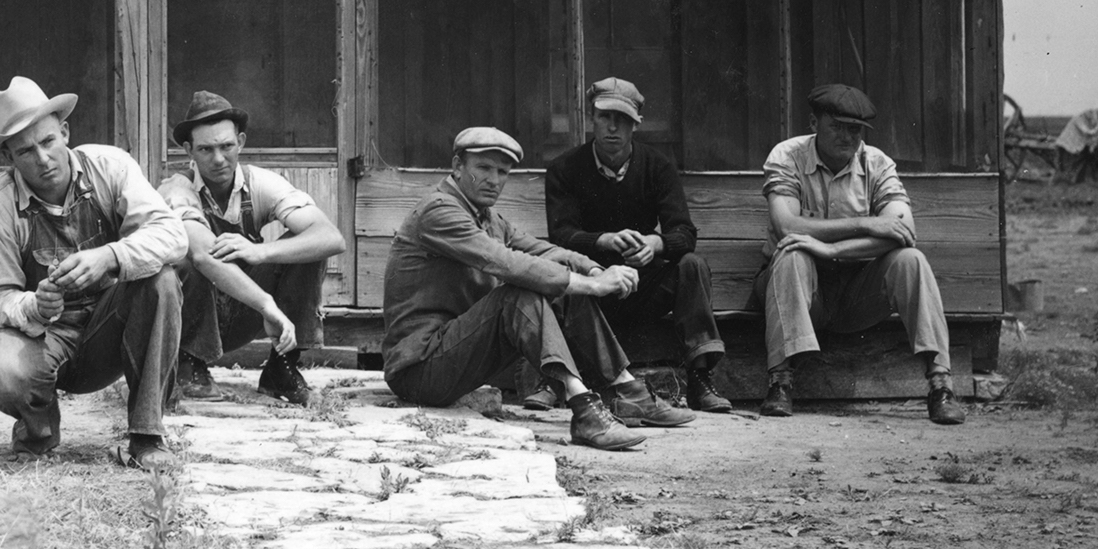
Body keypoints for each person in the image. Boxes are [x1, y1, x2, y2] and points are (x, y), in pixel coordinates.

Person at [379, 126, 696, 450]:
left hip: (453, 354)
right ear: (458, 167)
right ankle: (584, 410)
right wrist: (592, 284)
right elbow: (503, 261)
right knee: (519, 295)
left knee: (563, 287)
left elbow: (541, 250)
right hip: (418, 370)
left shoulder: (488, 218)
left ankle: (628, 392)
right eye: (484, 168)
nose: (494, 180)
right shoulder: (439, 211)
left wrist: (593, 269)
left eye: (502, 171)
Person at [0, 76, 188, 469]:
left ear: (65, 131)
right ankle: (38, 431)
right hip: (44, 338)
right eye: (25, 151)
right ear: (9, 159)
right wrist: (34, 305)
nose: (42, 159)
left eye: (48, 141)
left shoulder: (110, 167)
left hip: (108, 329)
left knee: (162, 280)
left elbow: (174, 236)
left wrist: (111, 256)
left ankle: (146, 437)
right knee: (1, 364)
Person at [756, 84, 965, 425]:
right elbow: (787, 225)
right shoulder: (787, 155)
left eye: (854, 129)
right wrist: (870, 225)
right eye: (836, 126)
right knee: (793, 251)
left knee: (911, 260)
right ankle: (780, 382)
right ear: (813, 122)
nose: (846, 136)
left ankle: (941, 385)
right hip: (796, 290)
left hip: (856, 292)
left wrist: (833, 247)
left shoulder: (878, 163)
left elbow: (903, 231)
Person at [543, 78, 730, 414]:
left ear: (635, 125)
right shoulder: (565, 169)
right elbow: (560, 235)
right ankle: (551, 377)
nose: (613, 127)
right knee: (554, 269)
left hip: (642, 287)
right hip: (591, 290)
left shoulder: (657, 166)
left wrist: (654, 244)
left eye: (623, 119)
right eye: (605, 117)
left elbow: (684, 232)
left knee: (692, 265)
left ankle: (700, 377)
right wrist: (604, 240)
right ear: (592, 118)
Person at [159, 90, 346, 407]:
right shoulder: (177, 189)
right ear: (188, 149)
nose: (219, 159)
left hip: (243, 312)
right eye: (206, 149)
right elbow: (204, 255)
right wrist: (267, 305)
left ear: (241, 142)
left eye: (226, 146)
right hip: (194, 317)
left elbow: (331, 237)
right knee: (187, 260)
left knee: (306, 250)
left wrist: (262, 252)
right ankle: (188, 363)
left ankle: (281, 370)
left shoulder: (261, 184)